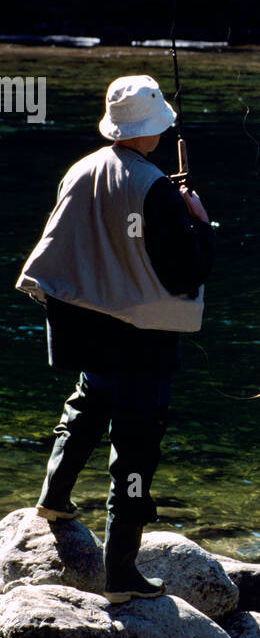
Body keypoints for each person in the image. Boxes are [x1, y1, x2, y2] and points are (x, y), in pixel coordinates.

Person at [16, 75, 215, 603]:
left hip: (88, 324)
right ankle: (121, 574)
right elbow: (186, 274)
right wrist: (199, 221)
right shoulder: (156, 187)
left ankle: (54, 498)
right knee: (136, 442)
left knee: (88, 400)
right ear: (154, 129)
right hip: (141, 336)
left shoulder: (81, 169)